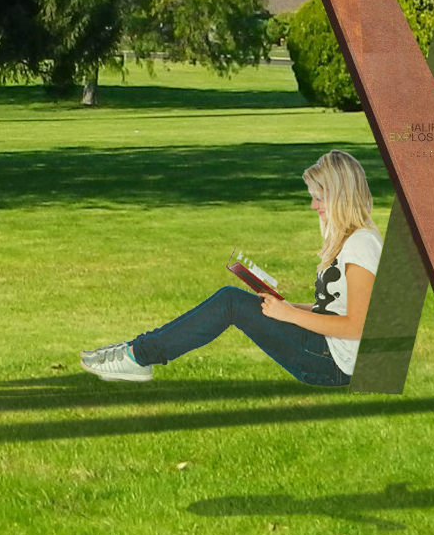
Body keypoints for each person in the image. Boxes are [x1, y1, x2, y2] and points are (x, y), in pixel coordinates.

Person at [80, 150, 383, 387]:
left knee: (231, 302)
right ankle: (137, 351)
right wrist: (288, 307)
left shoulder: (361, 244)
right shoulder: (351, 239)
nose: (313, 206)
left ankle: (137, 356)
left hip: (332, 363)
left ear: (341, 196)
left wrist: (290, 315)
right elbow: (333, 310)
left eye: (319, 198)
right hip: (325, 350)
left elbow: (358, 326)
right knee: (234, 301)